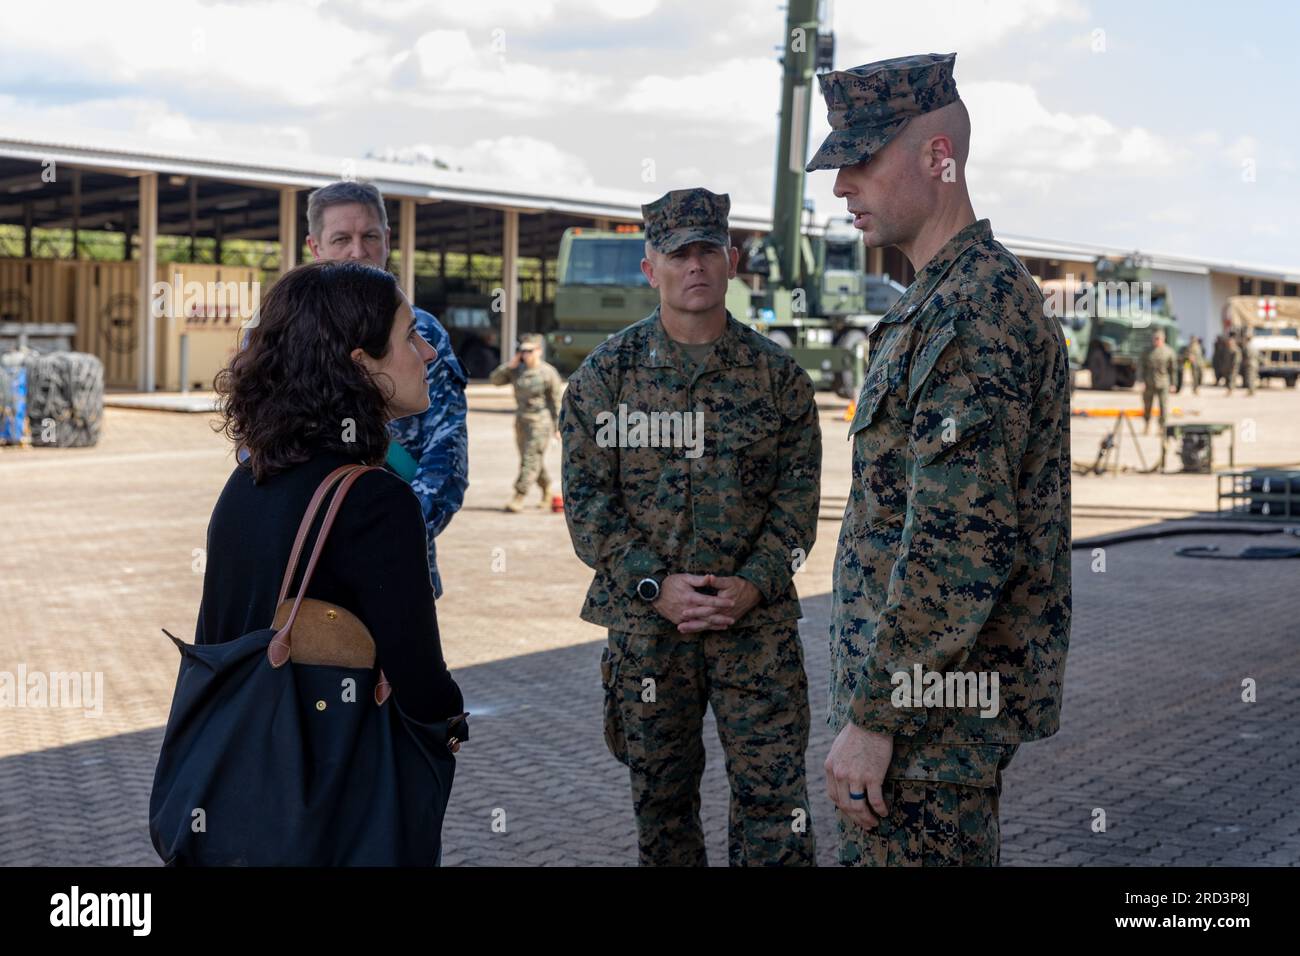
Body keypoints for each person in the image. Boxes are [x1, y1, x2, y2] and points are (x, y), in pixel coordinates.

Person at [806, 52, 1071, 866]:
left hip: (926, 733)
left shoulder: (971, 315)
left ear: (938, 158)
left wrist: (877, 718)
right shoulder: (942, 298)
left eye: (862, 159)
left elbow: (958, 545)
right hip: (929, 721)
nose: (843, 184)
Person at [560, 187, 822, 866]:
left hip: (755, 630)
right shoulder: (604, 380)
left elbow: (798, 507)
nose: (695, 265)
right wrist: (655, 586)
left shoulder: (779, 379)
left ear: (731, 260)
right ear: (650, 269)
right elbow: (588, 505)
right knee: (662, 809)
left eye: (708, 249)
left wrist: (755, 584)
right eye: (678, 254)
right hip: (651, 633)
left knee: (775, 807)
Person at [204, 259, 464, 855]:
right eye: (408, 336)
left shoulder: (248, 481)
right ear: (360, 365)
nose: (427, 353)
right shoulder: (375, 501)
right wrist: (450, 724)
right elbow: (419, 683)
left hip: (238, 796)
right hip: (334, 807)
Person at [304, 181, 469, 599]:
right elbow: (258, 453)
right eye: (341, 239)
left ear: (387, 240)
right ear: (315, 246)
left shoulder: (425, 333)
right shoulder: (281, 335)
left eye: (370, 237)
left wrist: (393, 536)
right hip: (304, 565)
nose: (358, 251)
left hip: (399, 561)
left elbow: (446, 455)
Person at [489, 333, 564, 512]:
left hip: (541, 421)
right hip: (521, 421)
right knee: (530, 459)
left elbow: (557, 402)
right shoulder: (517, 370)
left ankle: (519, 496)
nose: (525, 354)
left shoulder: (548, 372)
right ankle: (546, 488)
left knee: (530, 458)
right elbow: (495, 381)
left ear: (538, 351)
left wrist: (558, 427)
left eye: (529, 351)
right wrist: (509, 366)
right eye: (522, 351)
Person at [1141, 330, 1177, 434]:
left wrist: (1173, 384)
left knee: (1163, 407)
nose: (1156, 341)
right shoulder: (1147, 351)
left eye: (1158, 339)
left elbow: (1173, 369)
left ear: (1163, 339)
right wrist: (1141, 381)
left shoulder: (1169, 352)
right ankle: (1147, 425)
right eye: (1155, 339)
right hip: (1149, 382)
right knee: (1147, 406)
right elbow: (1141, 367)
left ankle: (1162, 427)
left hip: (1163, 383)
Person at [1240, 329, 1259, 395]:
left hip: (1249, 363)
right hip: (1255, 363)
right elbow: (1258, 355)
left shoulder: (1247, 346)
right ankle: (1252, 390)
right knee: (1253, 377)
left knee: (1250, 378)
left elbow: (1246, 355)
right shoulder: (1254, 346)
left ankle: (1251, 391)